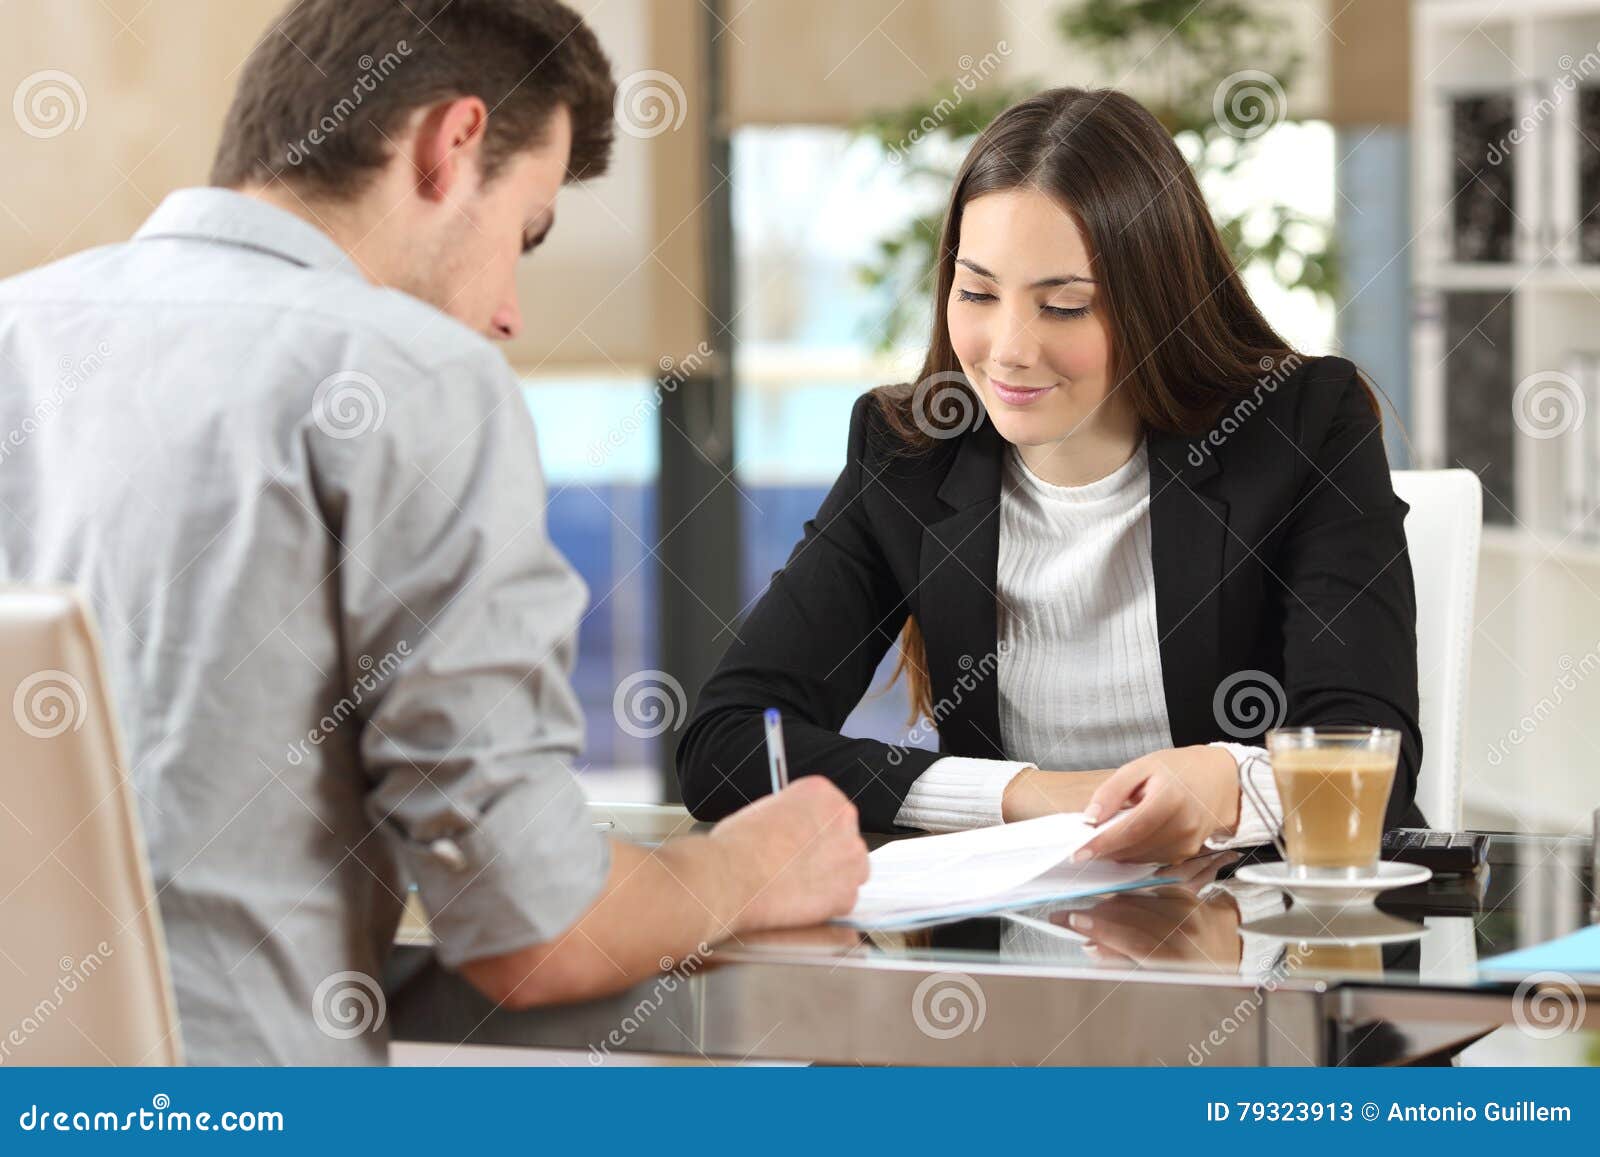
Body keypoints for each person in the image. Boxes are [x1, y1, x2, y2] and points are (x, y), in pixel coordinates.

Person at [0, 0, 867, 1065]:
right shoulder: (408, 373)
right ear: (450, 145)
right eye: (526, 234)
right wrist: (749, 865)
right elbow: (534, 930)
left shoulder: (17, 328)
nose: (510, 312)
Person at [676, 87, 1427, 862]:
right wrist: (1024, 792)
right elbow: (728, 744)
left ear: (1155, 302)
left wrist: (1227, 781)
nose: (1007, 349)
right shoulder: (906, 456)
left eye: (1063, 306)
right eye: (976, 293)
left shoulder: (1299, 425)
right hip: (1013, 951)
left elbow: (1378, 766)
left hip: (1262, 948)